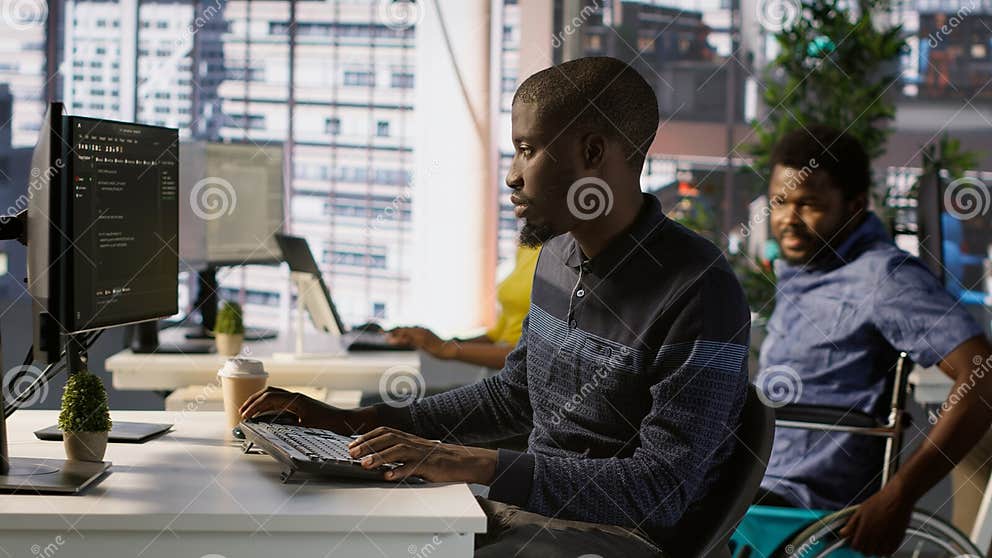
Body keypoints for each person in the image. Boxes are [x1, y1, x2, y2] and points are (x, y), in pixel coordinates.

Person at [240, 56, 751, 557]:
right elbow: (515, 397)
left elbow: (659, 490)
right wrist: (356, 421)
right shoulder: (555, 256)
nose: (512, 176)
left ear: (593, 152)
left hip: (625, 538)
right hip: (531, 514)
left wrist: (474, 464)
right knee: (331, 532)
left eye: (527, 150)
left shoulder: (700, 291)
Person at [755, 125, 992, 556]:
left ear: (854, 206)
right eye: (780, 202)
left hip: (803, 502)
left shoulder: (884, 278)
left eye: (809, 204)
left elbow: (983, 378)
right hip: (759, 477)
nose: (788, 218)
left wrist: (900, 494)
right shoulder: (806, 268)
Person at [386, 244, 541, 370]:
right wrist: (431, 340)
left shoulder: (561, 254)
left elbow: (538, 358)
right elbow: (498, 334)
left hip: (526, 382)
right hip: (501, 374)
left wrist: (446, 348)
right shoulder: (529, 244)